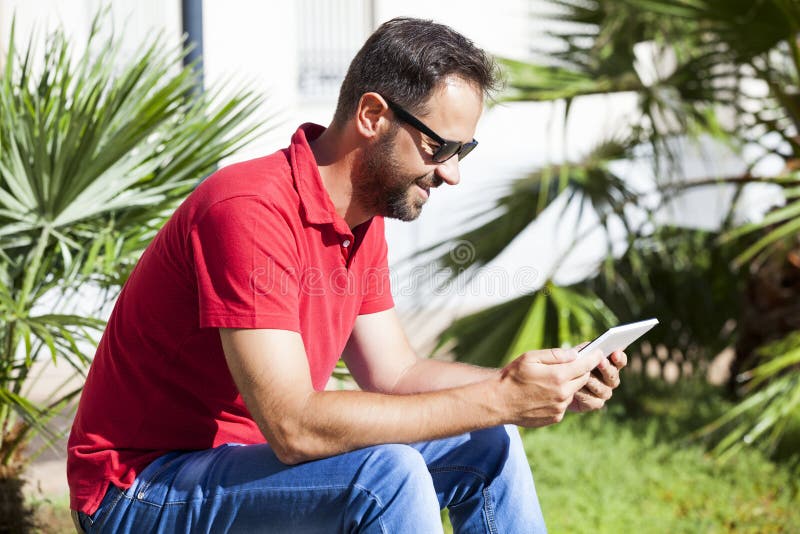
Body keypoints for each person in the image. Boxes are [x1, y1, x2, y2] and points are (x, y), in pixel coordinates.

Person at [67, 17, 626, 533]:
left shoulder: (361, 217)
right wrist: (501, 397)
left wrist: (534, 384)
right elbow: (294, 428)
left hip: (241, 467)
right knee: (387, 475)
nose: (451, 174)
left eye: (465, 150)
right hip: (138, 489)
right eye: (438, 147)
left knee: (486, 441)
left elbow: (395, 372)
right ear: (372, 116)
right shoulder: (247, 211)